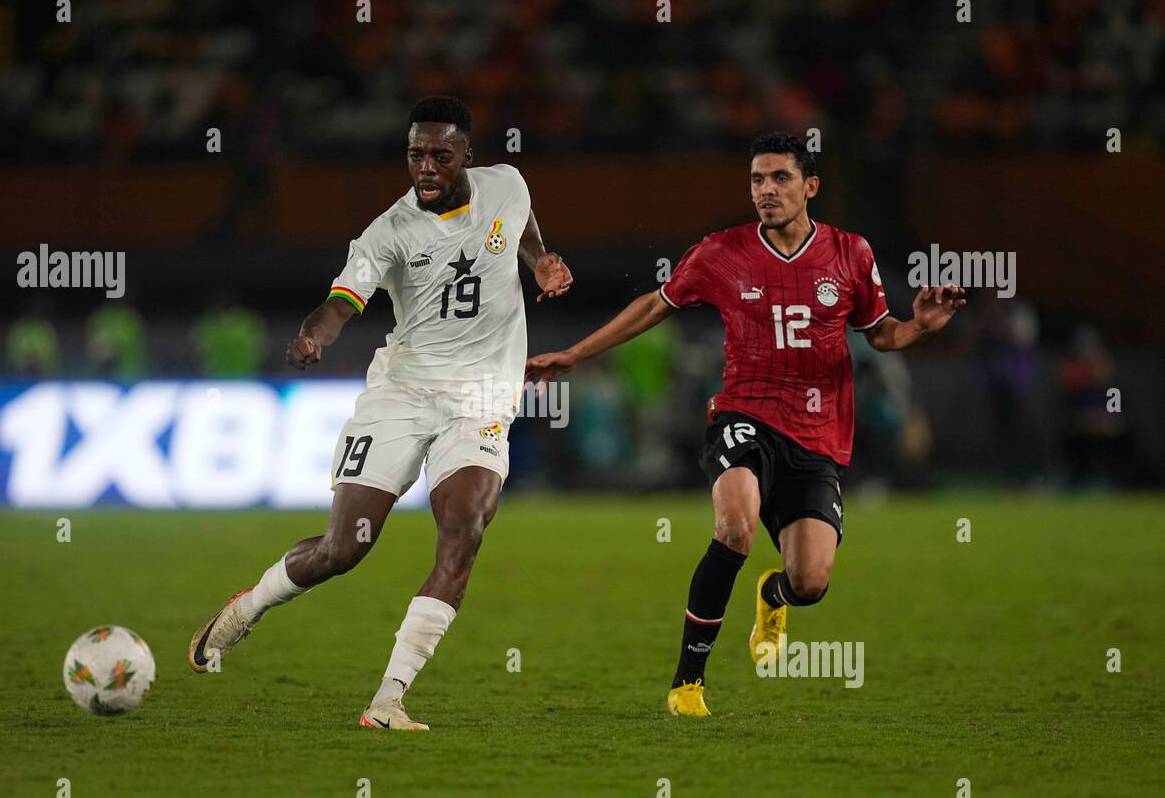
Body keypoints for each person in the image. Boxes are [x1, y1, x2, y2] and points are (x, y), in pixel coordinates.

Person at [525, 132, 964, 716]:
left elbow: (881, 334)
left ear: (810, 187)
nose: (766, 190)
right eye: (757, 179)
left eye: (780, 178)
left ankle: (773, 593)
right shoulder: (721, 252)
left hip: (819, 435)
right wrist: (575, 353)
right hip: (744, 414)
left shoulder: (851, 253)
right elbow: (656, 304)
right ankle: (688, 683)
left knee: (811, 582)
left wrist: (920, 326)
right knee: (736, 527)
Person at [187, 96, 573, 729]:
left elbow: (524, 231)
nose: (425, 166)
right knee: (344, 549)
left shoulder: (507, 184)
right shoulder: (388, 233)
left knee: (465, 527)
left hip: (480, 400)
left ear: (467, 157)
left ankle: (388, 699)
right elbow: (339, 304)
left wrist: (543, 263)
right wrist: (315, 336)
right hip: (404, 394)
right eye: (416, 153)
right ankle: (247, 608)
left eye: (440, 155)